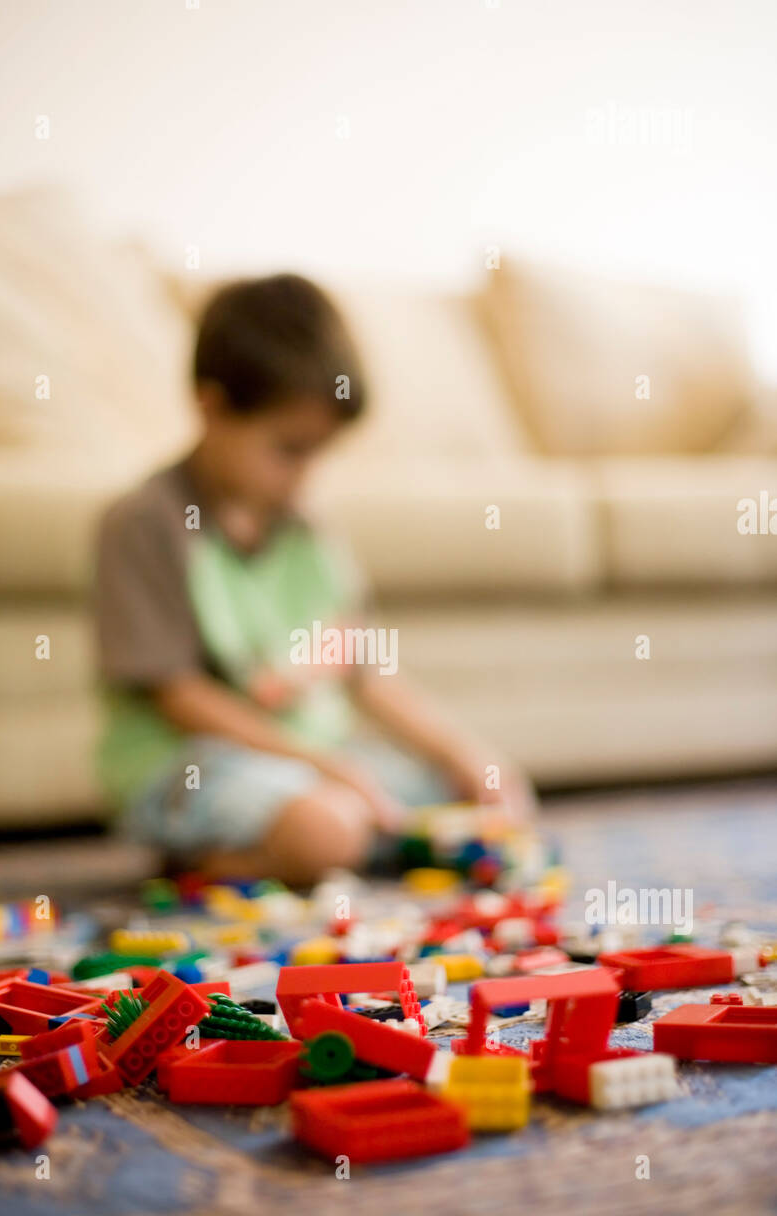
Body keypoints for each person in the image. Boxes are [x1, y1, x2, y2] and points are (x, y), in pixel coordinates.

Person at [94, 274, 532, 885]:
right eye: (289, 448)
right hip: (193, 764)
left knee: (469, 798)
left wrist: (463, 753)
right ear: (211, 406)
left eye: (321, 452)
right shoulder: (145, 524)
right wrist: (323, 766)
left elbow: (367, 670)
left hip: (308, 765)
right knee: (326, 828)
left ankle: (348, 837)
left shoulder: (308, 529)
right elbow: (181, 698)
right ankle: (214, 861)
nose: (307, 474)